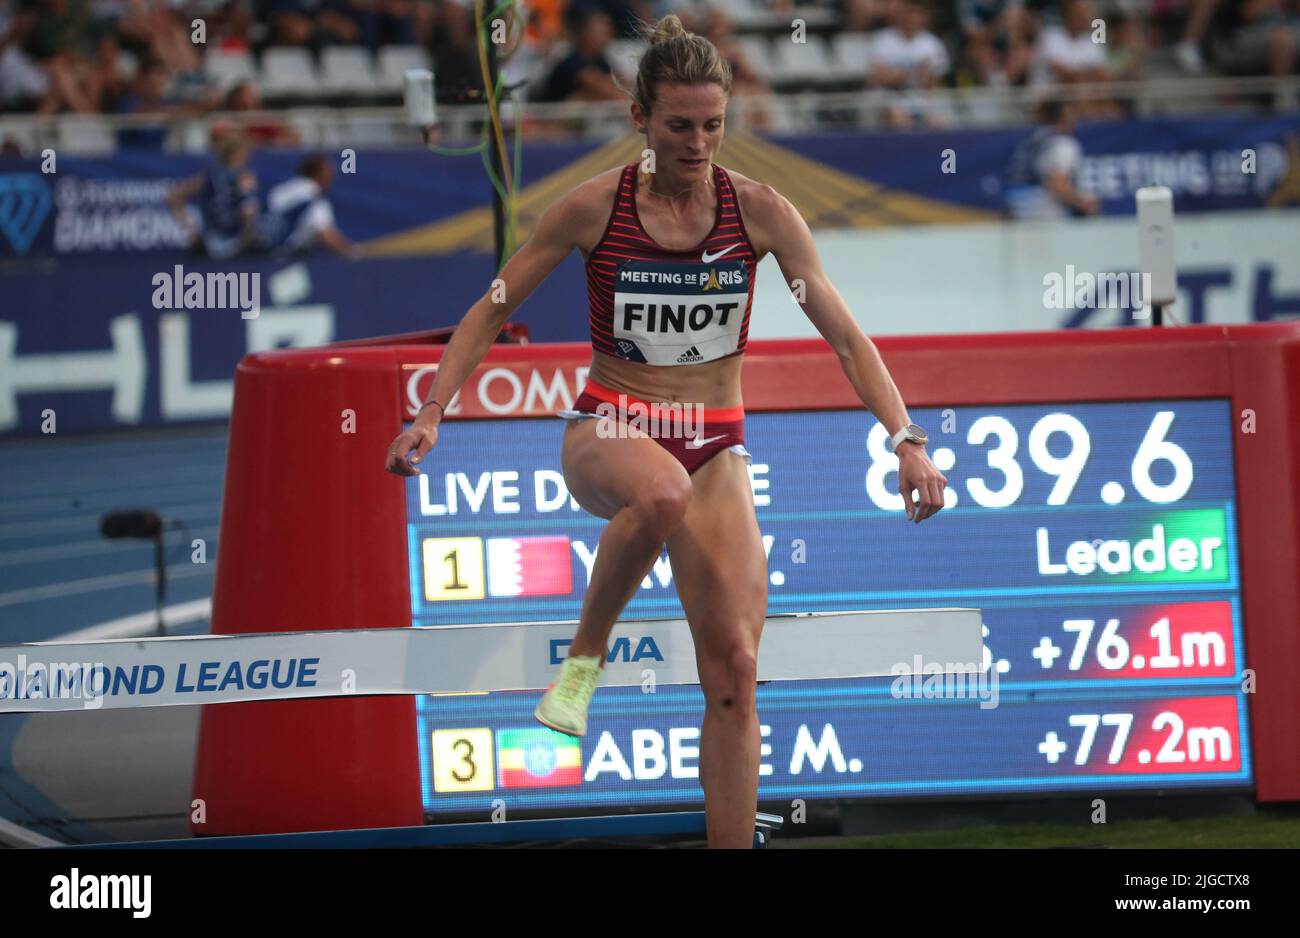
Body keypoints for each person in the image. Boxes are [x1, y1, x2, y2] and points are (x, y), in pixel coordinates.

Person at [384, 12, 946, 849]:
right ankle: (580, 667)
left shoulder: (759, 214)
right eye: (679, 125)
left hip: (716, 443)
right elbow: (491, 310)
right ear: (640, 118)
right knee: (660, 493)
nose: (697, 142)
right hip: (610, 426)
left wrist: (906, 438)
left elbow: (845, 338)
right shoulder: (591, 209)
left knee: (737, 676)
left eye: (713, 125)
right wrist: (434, 408)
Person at [167, 128, 260, 260]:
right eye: (246, 153)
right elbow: (249, 213)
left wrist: (191, 232)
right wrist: (247, 240)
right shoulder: (245, 177)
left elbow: (173, 197)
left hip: (210, 247)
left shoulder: (208, 176)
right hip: (236, 247)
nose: (248, 157)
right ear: (236, 154)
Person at [1003, 97, 1098, 219]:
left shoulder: (1030, 139)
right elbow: (1057, 185)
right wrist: (1085, 203)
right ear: (1064, 119)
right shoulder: (1063, 144)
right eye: (1073, 117)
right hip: (1044, 214)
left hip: (1015, 209)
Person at [257, 153, 353, 257]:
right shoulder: (315, 200)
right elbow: (326, 235)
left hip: (259, 255)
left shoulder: (277, 190)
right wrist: (351, 252)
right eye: (330, 174)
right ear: (321, 175)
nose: (332, 179)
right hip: (286, 260)